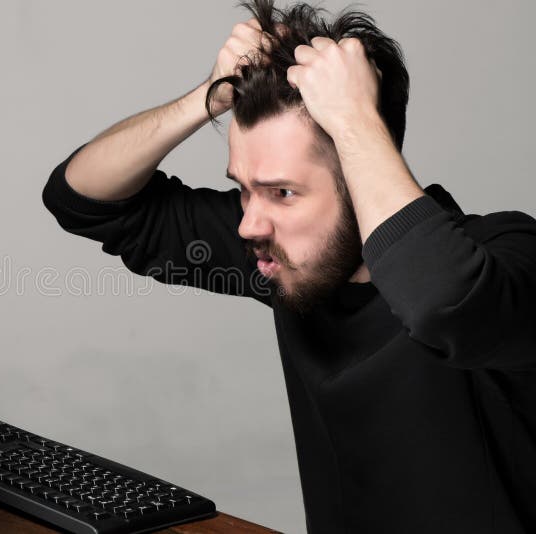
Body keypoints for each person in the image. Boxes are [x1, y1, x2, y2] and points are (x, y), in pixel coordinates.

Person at [42, 0, 536, 532]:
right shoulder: (289, 258)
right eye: (243, 190)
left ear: (361, 163)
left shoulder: (510, 254)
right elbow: (80, 198)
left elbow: (440, 305)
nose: (250, 225)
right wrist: (207, 96)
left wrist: (354, 122)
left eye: (282, 191)